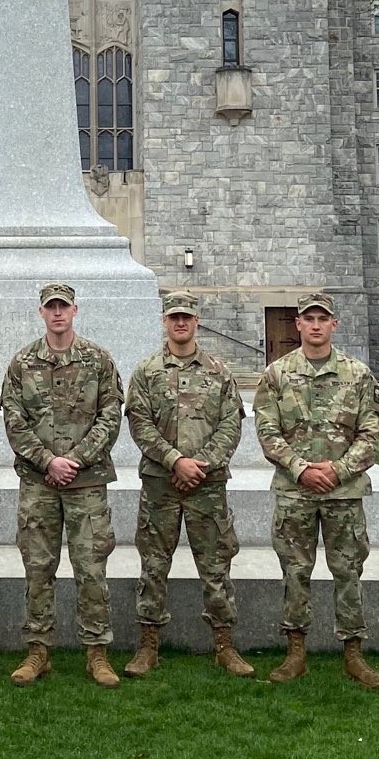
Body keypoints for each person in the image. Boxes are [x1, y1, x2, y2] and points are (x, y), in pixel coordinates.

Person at [253, 291, 379, 688]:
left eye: (322, 319)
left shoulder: (357, 374)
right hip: (296, 492)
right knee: (295, 572)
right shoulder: (277, 375)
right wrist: (300, 469)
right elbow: (267, 431)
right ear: (297, 325)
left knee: (348, 572)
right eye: (308, 318)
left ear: (334, 325)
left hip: (343, 492)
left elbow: (371, 433)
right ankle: (296, 652)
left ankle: (353, 653)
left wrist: (339, 469)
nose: (315, 325)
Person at [123, 289, 252, 679]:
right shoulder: (146, 372)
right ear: (164, 321)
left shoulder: (219, 372)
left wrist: (201, 464)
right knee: (153, 567)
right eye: (174, 317)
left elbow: (232, 424)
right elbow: (139, 423)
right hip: (161, 485)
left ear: (197, 321)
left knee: (216, 568)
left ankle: (225, 645)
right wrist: (174, 460)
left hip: (207, 487)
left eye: (187, 317)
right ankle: (148, 647)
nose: (181, 323)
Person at [2, 282, 124, 687]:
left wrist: (73, 460)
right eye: (50, 307)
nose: (57, 313)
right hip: (39, 483)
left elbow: (110, 415)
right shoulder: (22, 363)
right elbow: (14, 422)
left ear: (75, 310)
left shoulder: (98, 361)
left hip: (86, 482)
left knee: (91, 568)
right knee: (38, 568)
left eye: (64, 307)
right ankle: (38, 651)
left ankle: (97, 652)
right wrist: (47, 461)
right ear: (41, 312)